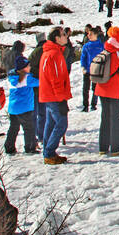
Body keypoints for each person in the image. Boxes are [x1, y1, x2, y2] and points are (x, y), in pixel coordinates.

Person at [93, 25, 119, 156]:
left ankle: (103, 147)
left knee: (105, 118)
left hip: (101, 88)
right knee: (115, 118)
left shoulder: (105, 50)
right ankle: (116, 148)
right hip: (114, 90)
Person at [39, 26, 72, 165]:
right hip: (55, 96)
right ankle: (49, 152)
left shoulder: (49, 52)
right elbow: (56, 78)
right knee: (61, 124)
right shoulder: (55, 54)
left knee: (51, 123)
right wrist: (61, 98)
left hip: (48, 95)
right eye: (63, 34)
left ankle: (48, 152)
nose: (66, 36)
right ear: (56, 38)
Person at [4, 54, 39, 155]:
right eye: (28, 66)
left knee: (13, 128)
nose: (30, 67)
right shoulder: (26, 79)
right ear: (23, 68)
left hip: (13, 108)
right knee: (29, 128)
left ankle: (9, 147)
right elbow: (40, 82)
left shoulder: (12, 78)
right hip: (24, 108)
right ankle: (30, 147)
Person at [79, 26, 104, 112]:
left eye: (91, 34)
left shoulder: (101, 45)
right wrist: (83, 67)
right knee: (85, 88)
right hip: (87, 70)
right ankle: (85, 105)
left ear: (96, 35)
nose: (88, 36)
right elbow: (83, 57)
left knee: (95, 88)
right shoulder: (86, 46)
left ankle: (94, 104)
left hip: (97, 70)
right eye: (88, 34)